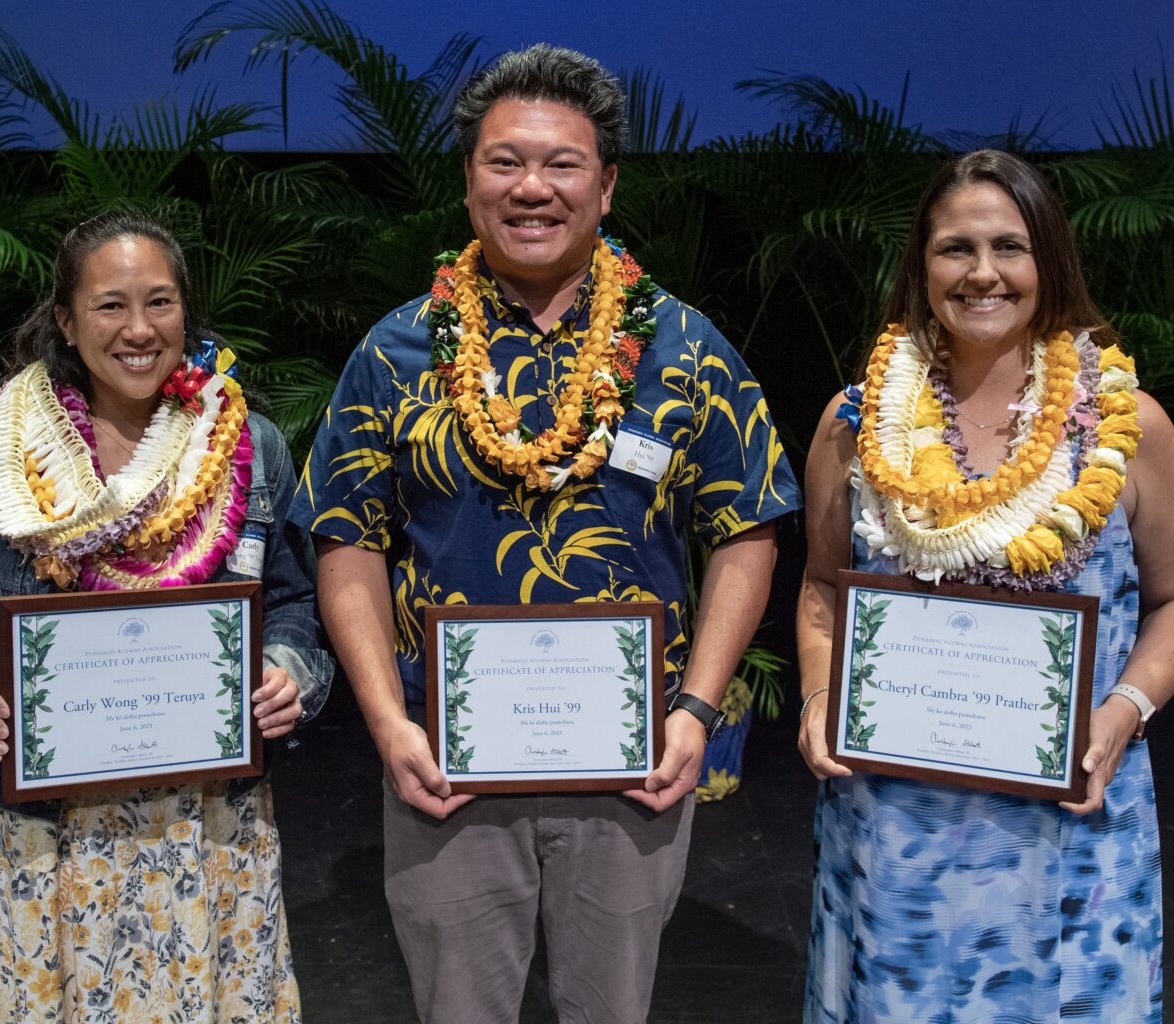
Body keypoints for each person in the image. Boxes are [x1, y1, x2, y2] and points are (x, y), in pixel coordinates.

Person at [289, 44, 800, 1023]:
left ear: (605, 185)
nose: (533, 187)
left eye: (562, 164)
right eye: (505, 161)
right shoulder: (397, 352)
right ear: (469, 179)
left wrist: (695, 710)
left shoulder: (687, 350)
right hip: (443, 768)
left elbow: (747, 528)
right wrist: (389, 726)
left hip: (634, 768)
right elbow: (345, 537)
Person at [796, 149, 1174, 1022]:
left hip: (1074, 816)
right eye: (956, 249)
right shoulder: (854, 427)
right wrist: (814, 696)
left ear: (1048, 263)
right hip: (895, 831)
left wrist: (1120, 713)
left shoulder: (1127, 425)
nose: (982, 273)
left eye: (1008, 247)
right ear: (921, 266)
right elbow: (823, 591)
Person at [0, 212, 333, 1022]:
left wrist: (290, 671)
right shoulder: (0, 449)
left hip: (206, 829)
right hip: (39, 838)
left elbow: (296, 607)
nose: (139, 329)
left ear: (186, 313)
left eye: (160, 302)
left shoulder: (247, 443)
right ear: (65, 321)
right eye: (109, 306)